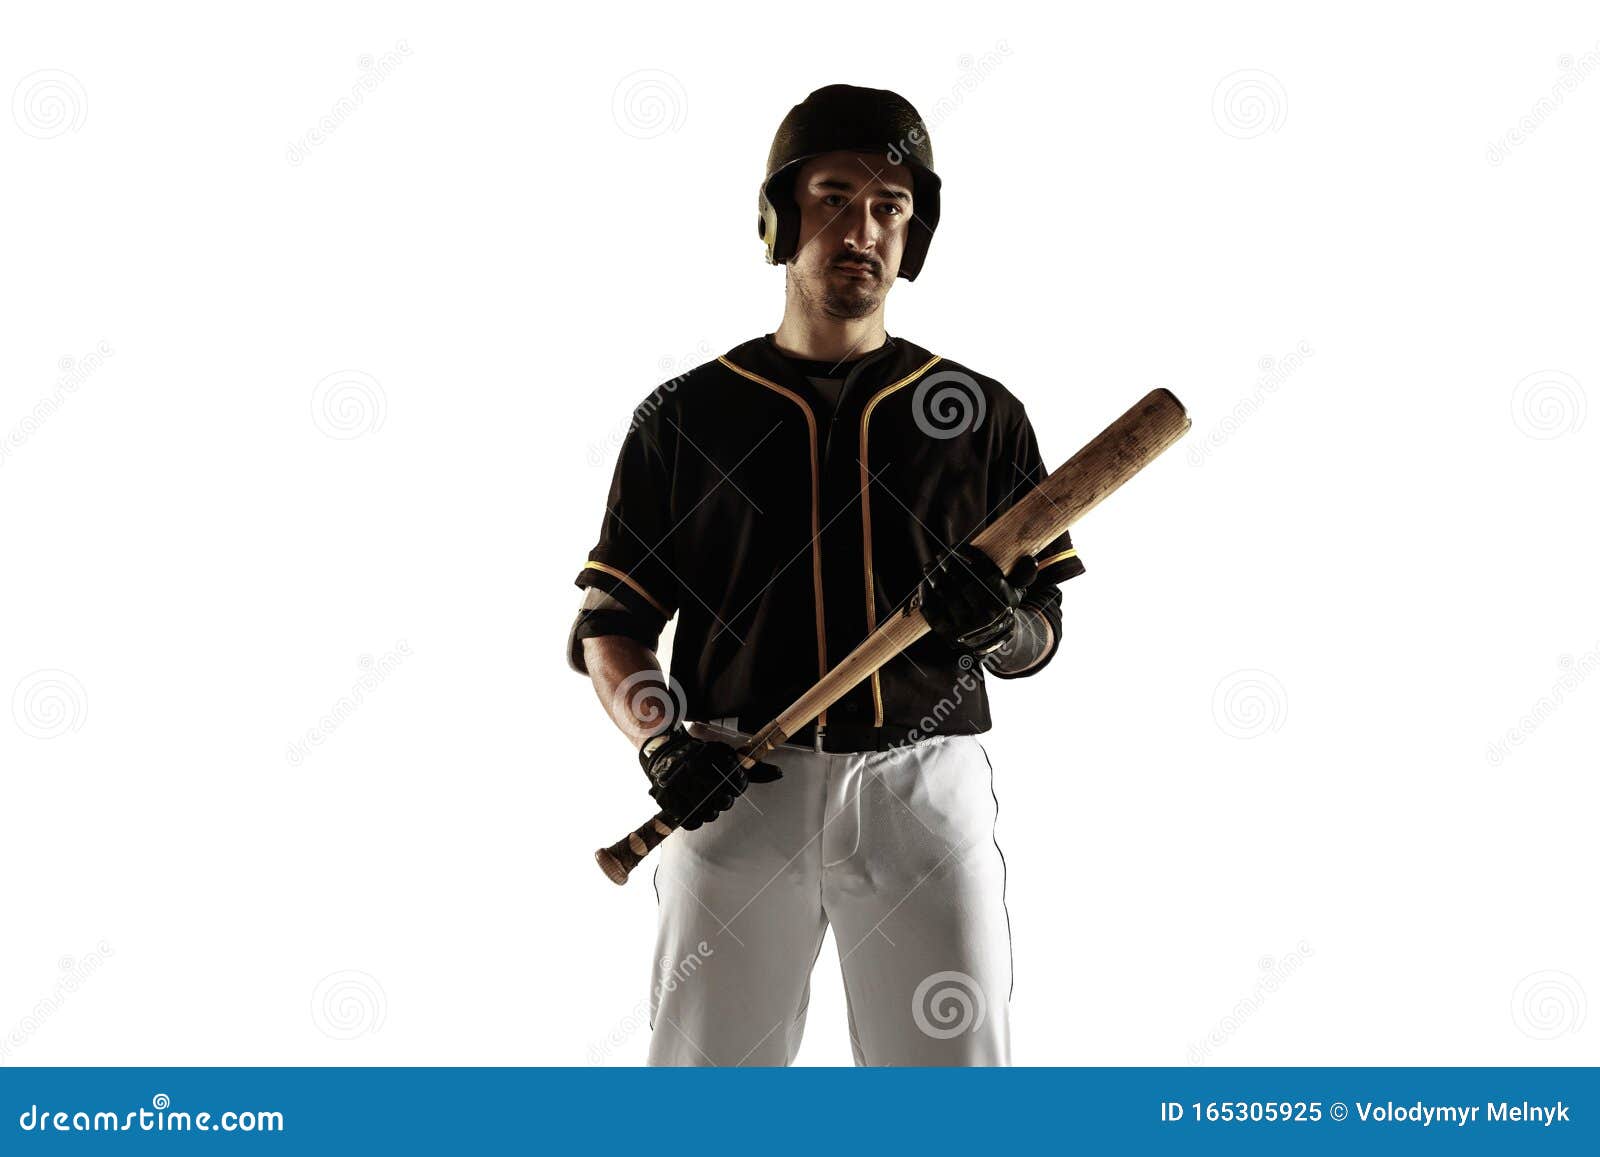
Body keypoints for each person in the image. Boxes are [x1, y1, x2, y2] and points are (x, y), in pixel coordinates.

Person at [568, 84, 1085, 1066]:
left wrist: (998, 630)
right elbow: (612, 622)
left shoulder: (977, 410)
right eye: (835, 195)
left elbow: (1042, 630)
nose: (862, 227)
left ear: (914, 233)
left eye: (890, 206)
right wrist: (660, 743)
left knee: (953, 1083)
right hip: (733, 783)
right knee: (709, 1085)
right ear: (779, 214)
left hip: (922, 785)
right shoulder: (685, 415)